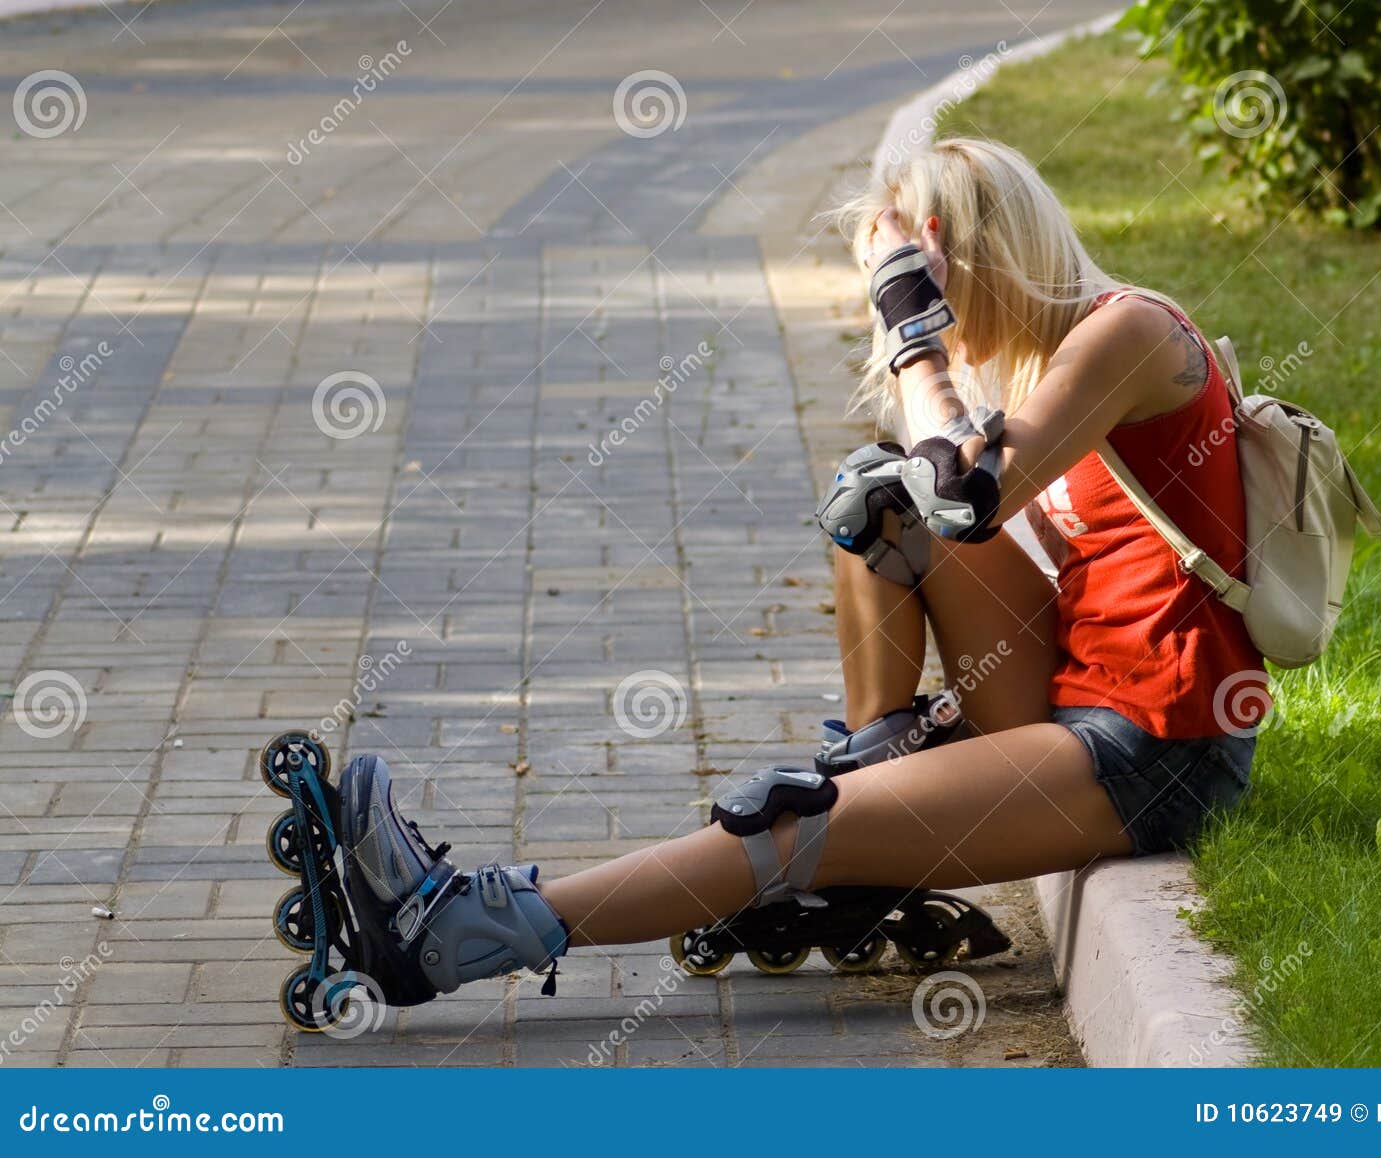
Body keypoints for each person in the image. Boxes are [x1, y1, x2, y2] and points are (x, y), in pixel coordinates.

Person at [282, 137, 1267, 1019]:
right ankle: (874, 782)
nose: (903, 315)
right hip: (1077, 697)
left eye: (907, 278)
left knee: (783, 820)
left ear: (940, 249)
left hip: (1157, 749)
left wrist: (907, 323)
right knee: (877, 494)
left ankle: (451, 929)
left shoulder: (1129, 334)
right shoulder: (1062, 350)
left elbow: (968, 499)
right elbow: (930, 498)